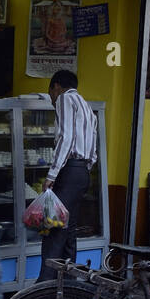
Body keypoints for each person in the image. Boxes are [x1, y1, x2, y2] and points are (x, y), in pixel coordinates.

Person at [37, 69, 99, 281]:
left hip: (68, 171)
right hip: (81, 173)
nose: (52, 100)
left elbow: (66, 137)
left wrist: (52, 175)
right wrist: (82, 168)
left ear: (55, 87)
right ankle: (66, 296)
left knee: (53, 231)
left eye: (51, 94)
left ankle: (39, 297)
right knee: (69, 233)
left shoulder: (65, 99)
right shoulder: (86, 105)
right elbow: (93, 146)